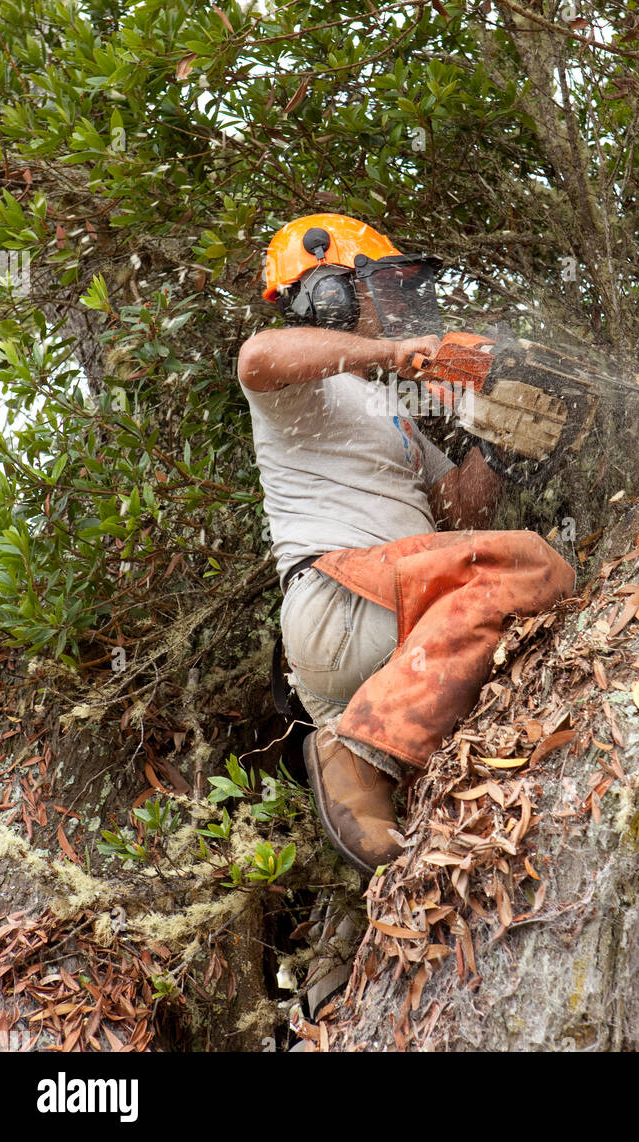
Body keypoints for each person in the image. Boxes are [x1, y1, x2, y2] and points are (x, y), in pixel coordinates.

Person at [237, 214, 575, 878]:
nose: (394, 306)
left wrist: (501, 446)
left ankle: (372, 764)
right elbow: (258, 359)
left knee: (524, 587)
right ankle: (359, 755)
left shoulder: (386, 410)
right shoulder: (297, 384)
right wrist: (393, 354)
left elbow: (454, 509)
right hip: (341, 598)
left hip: (386, 632)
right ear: (326, 293)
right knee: (533, 561)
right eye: (378, 288)